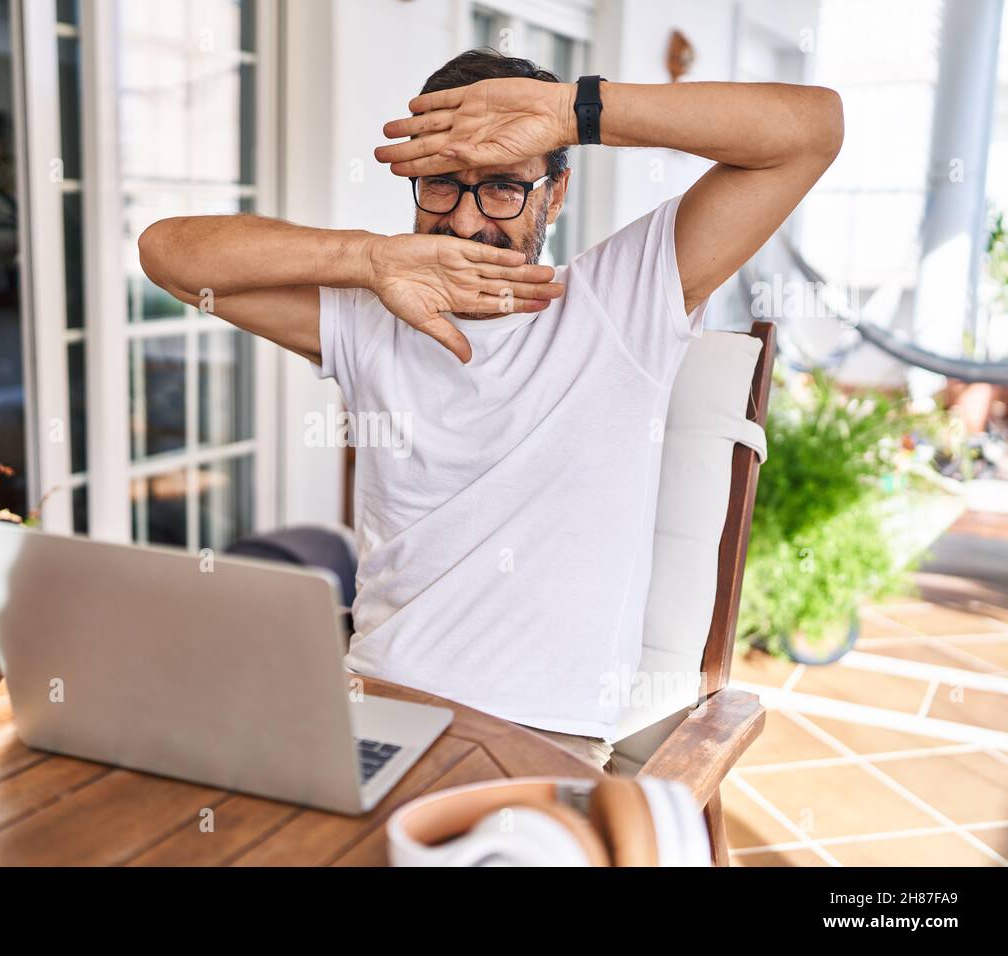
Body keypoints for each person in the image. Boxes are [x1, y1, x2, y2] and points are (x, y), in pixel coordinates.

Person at [137, 49, 843, 772]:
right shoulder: (367, 314)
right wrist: (373, 259)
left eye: (504, 186)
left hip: (534, 741)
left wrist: (574, 112)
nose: (468, 222)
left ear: (554, 195)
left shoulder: (622, 300)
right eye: (442, 185)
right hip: (371, 708)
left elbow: (811, 131)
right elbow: (169, 253)